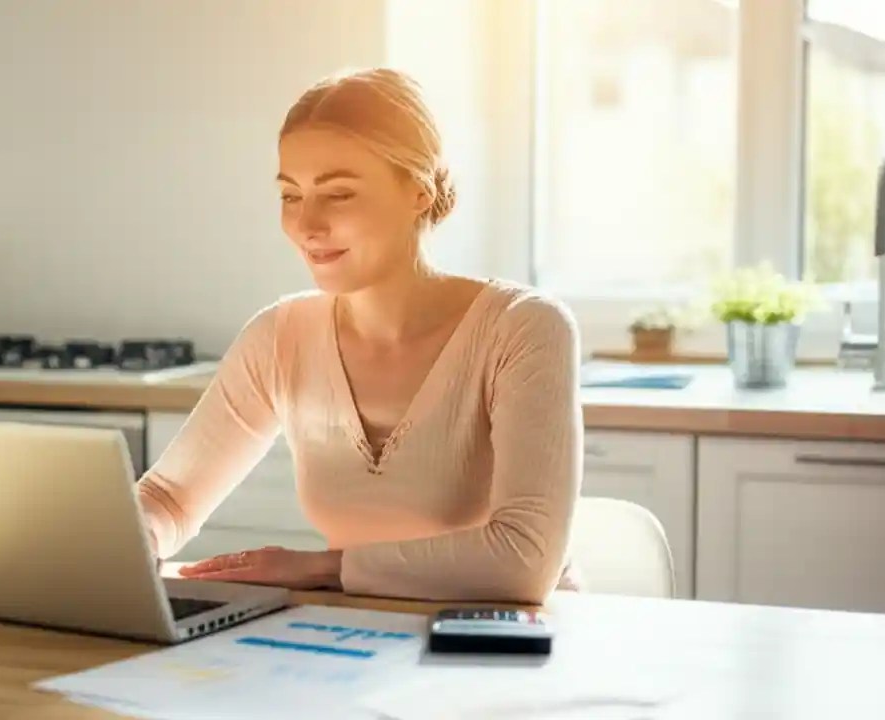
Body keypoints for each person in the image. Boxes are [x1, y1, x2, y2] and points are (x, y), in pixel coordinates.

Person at [137, 68, 582, 604]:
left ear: (419, 190)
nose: (307, 225)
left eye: (339, 194)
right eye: (290, 196)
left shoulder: (523, 327)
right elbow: (170, 497)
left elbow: (524, 561)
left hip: (509, 650)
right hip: (356, 642)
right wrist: (121, 545)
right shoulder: (281, 337)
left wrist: (321, 568)